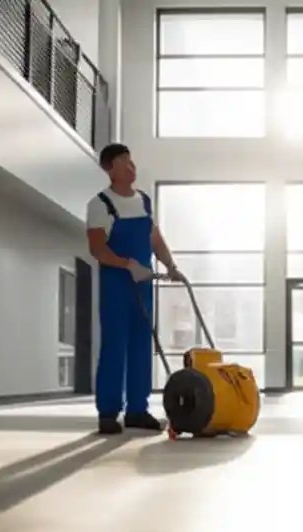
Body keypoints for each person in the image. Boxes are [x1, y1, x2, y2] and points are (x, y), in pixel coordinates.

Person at [86, 143, 185, 434]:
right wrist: (128, 264)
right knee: (115, 345)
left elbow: (155, 238)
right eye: (124, 163)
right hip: (116, 285)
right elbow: (97, 250)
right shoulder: (100, 204)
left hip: (142, 285)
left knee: (142, 346)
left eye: (132, 162)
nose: (132, 168)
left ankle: (137, 410)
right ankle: (108, 412)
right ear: (109, 169)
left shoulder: (143, 201)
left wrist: (170, 265)